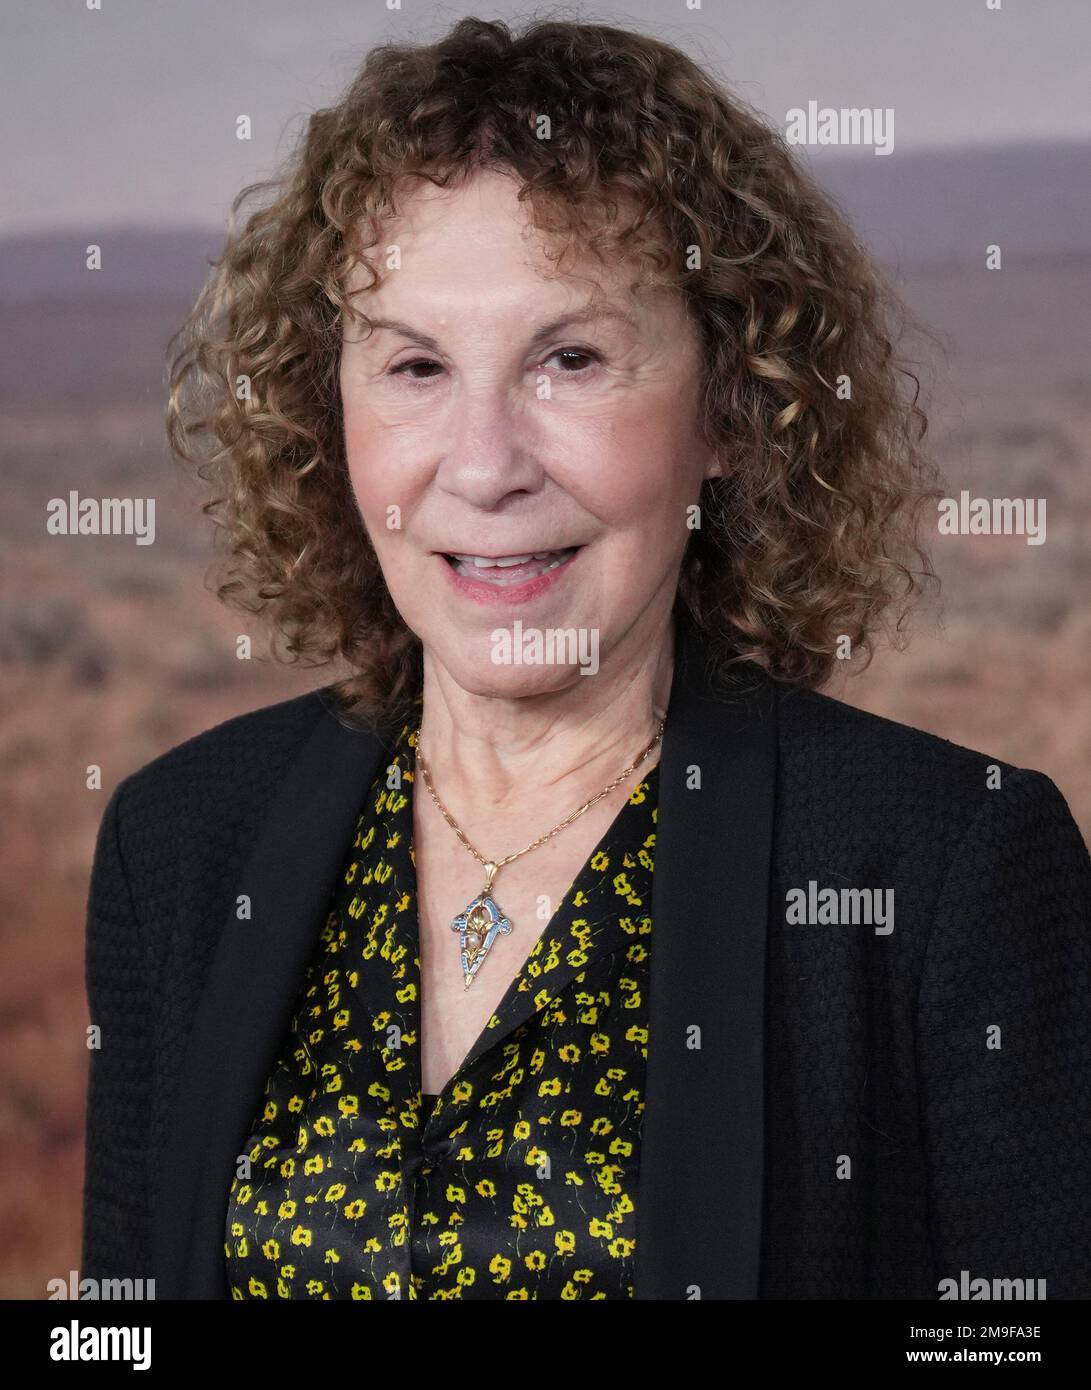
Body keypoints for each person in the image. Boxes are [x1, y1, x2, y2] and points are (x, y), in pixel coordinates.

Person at [81, 16, 1091, 1300]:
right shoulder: (178, 846)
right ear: (320, 406)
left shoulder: (947, 868)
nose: (485, 464)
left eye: (569, 359)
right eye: (414, 365)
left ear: (729, 404)